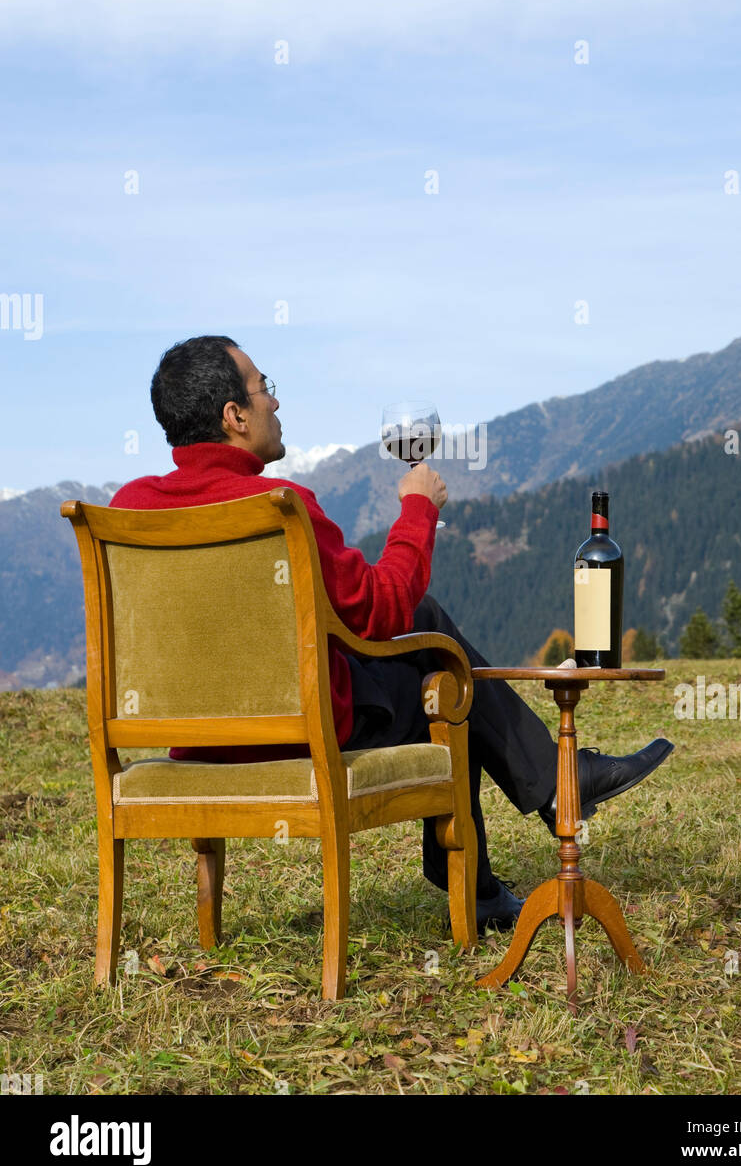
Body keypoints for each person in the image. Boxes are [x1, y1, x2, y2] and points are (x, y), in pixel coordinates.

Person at [110, 336, 674, 931]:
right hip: (307, 736)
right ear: (234, 415)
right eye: (263, 386)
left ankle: (535, 819)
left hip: (198, 745)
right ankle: (542, 806)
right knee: (444, 666)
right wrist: (417, 509)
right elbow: (382, 610)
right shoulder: (281, 506)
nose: (275, 402)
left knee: (435, 651)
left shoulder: (128, 510)